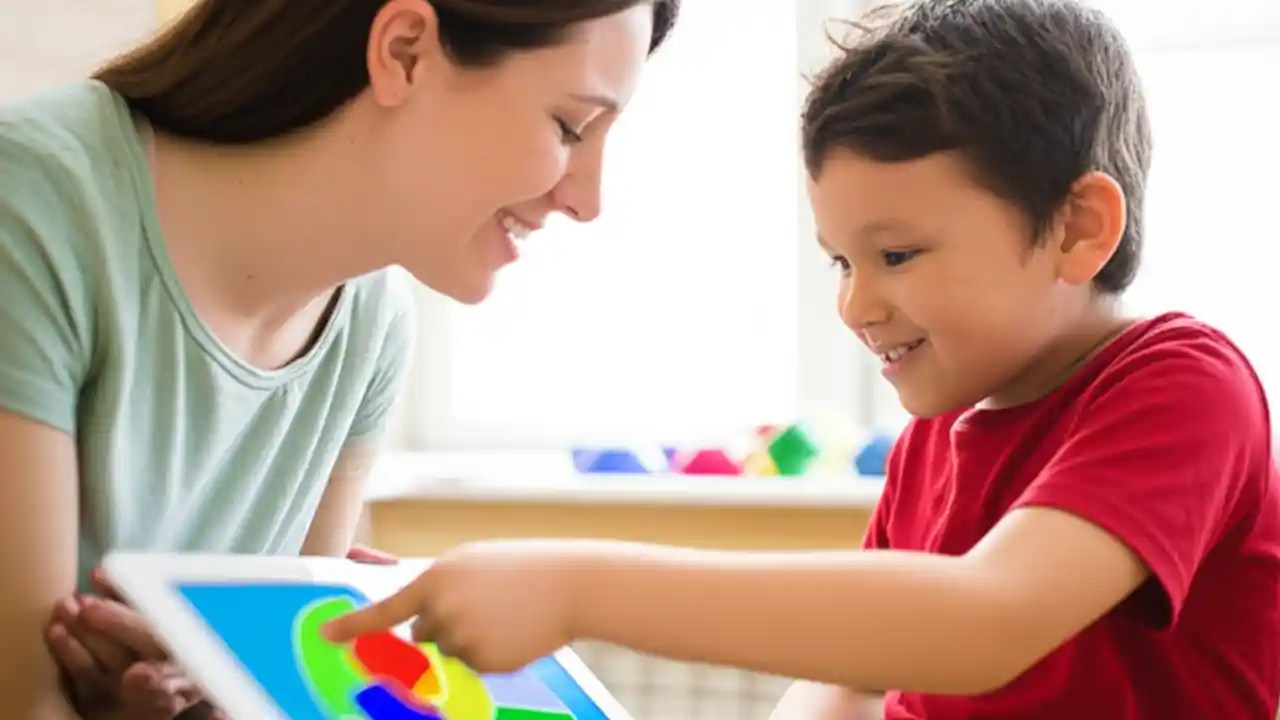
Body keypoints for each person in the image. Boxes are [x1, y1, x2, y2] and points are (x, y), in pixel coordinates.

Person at [322, 1, 1280, 718]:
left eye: (897, 254)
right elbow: (851, 676)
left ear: (1077, 228)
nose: (855, 306)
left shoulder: (1182, 385)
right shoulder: (937, 437)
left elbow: (985, 620)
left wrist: (574, 589)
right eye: (841, 262)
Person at [0, 0, 680, 717]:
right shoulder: (35, 202)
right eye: (570, 126)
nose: (587, 200)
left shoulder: (373, 325)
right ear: (405, 52)